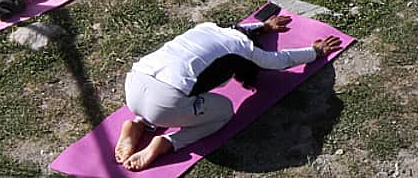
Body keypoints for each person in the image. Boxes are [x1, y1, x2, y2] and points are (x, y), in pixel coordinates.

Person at [113, 16, 343, 171]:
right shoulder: (244, 48)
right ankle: (167, 142)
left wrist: (263, 26)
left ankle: (138, 123)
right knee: (224, 111)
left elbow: (238, 30)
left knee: (175, 83)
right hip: (165, 104)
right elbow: (279, 61)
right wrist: (314, 51)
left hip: (134, 83)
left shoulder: (205, 27)